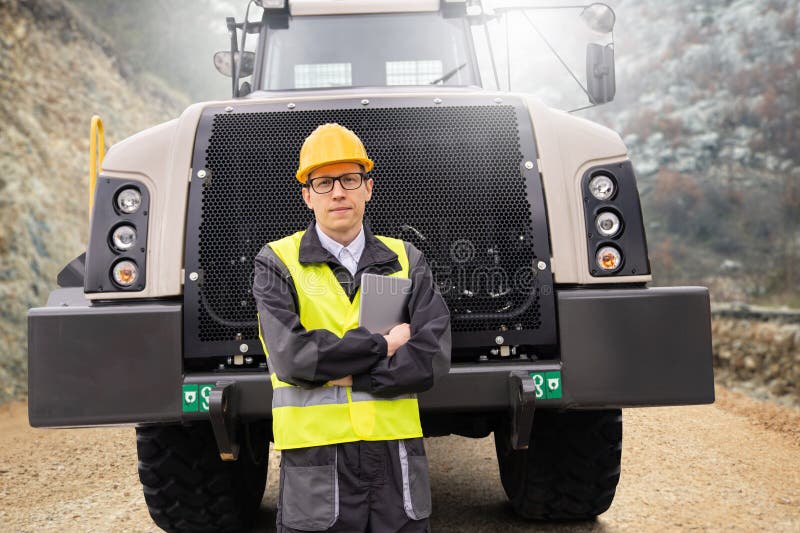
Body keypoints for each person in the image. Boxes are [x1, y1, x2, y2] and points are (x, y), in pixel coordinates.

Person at [252, 123, 451, 532]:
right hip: (316, 459)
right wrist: (384, 345)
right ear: (307, 196)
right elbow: (293, 359)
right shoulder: (276, 262)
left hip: (395, 454)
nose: (338, 192)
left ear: (368, 188)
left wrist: (345, 375)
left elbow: (432, 359)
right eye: (323, 182)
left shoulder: (406, 259)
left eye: (349, 179)